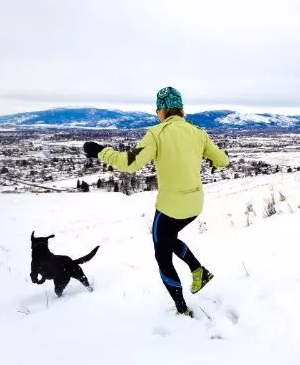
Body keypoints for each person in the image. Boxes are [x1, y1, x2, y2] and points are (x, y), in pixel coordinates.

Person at [83, 86, 229, 317]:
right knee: (167, 240)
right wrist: (213, 159)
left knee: (162, 257)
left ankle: (182, 309)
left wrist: (101, 151)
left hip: (170, 207)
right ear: (180, 109)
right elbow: (222, 159)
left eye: (157, 110)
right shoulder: (198, 132)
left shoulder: (157, 133)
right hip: (194, 206)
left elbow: (129, 163)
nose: (157, 114)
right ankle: (199, 271)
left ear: (162, 110)